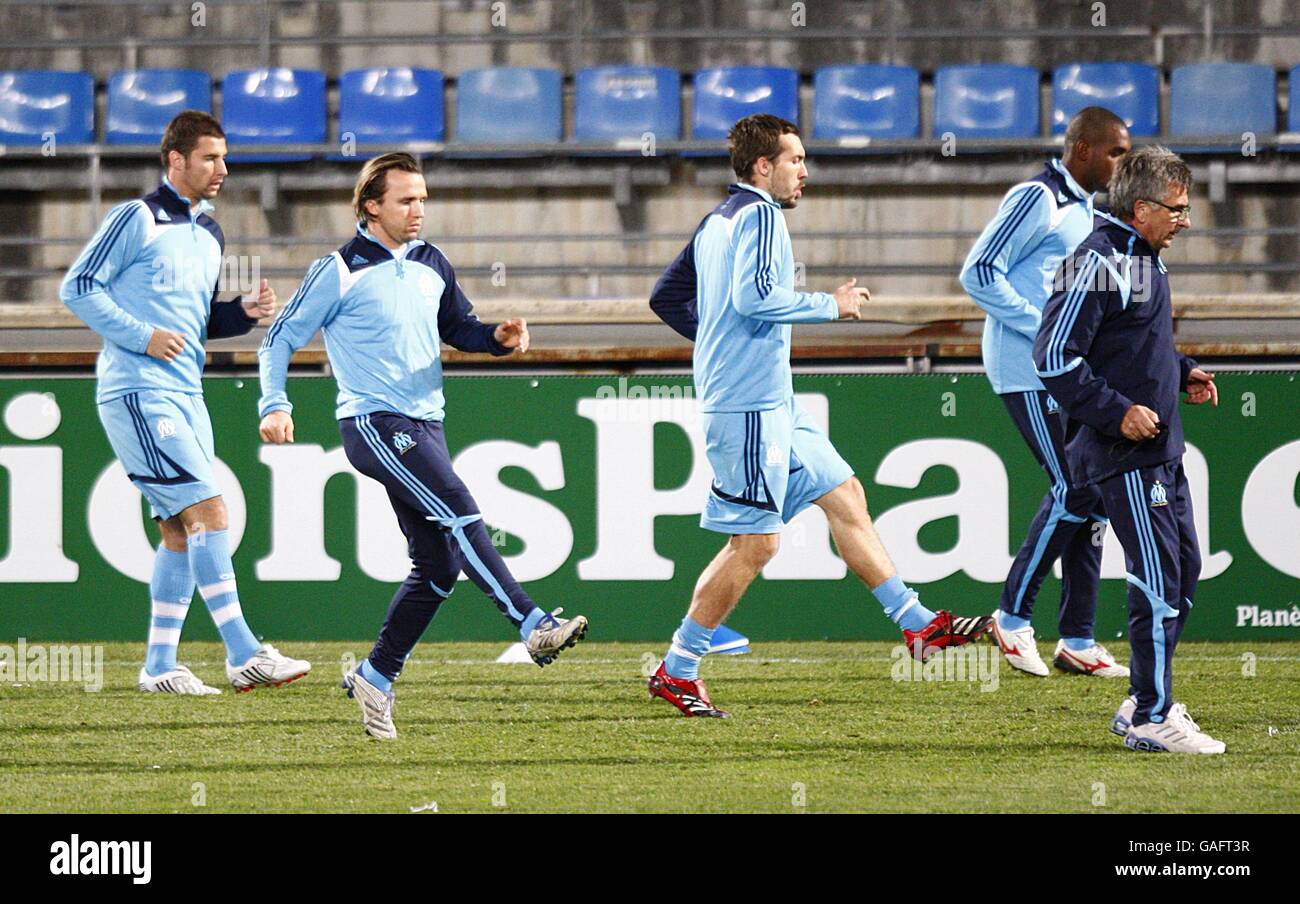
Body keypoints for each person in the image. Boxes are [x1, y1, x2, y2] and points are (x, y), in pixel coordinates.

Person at [646, 114, 993, 718]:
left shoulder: (716, 221)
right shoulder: (759, 216)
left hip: (773, 400)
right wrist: (828, 305)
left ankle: (916, 623)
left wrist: (720, 341)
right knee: (755, 545)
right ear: (764, 167)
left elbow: (666, 297)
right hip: (748, 406)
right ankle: (678, 667)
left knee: (845, 494)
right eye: (795, 160)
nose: (804, 171)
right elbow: (754, 298)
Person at [257, 153, 588, 739]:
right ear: (371, 206)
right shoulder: (339, 269)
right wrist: (274, 404)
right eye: (406, 200)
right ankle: (531, 622)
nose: (418, 210)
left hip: (426, 423)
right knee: (459, 506)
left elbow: (458, 328)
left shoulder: (431, 260)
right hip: (374, 422)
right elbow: (277, 340)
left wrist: (497, 338)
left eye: (423, 199)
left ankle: (375, 675)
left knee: (438, 566)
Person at [59, 110, 310, 695]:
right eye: (210, 158)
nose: (223, 168)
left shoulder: (210, 233)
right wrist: (141, 336)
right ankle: (244, 653)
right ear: (176, 160)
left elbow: (196, 323)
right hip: (139, 391)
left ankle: (159, 666)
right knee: (210, 511)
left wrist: (241, 314)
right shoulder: (137, 218)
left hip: (186, 393)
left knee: (179, 530)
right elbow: (78, 287)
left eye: (225, 157)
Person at [1033, 146, 1224, 753]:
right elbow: (1053, 358)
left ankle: (1142, 700)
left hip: (1162, 449)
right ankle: (1150, 716)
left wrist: (1180, 371)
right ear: (1141, 209)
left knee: (1182, 570)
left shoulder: (1142, 257)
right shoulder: (1096, 262)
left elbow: (1130, 344)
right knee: (1158, 577)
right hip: (1125, 456)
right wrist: (1117, 412)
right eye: (1177, 209)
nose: (1184, 221)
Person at [959, 107, 1133, 678]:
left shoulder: (1087, 209)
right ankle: (1011, 618)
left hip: (1067, 371)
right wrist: (1044, 330)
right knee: (1075, 487)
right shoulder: (1037, 197)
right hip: (1027, 369)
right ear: (1082, 149)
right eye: (1115, 152)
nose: (1122, 162)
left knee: (1093, 493)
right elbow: (979, 272)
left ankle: (1078, 638)